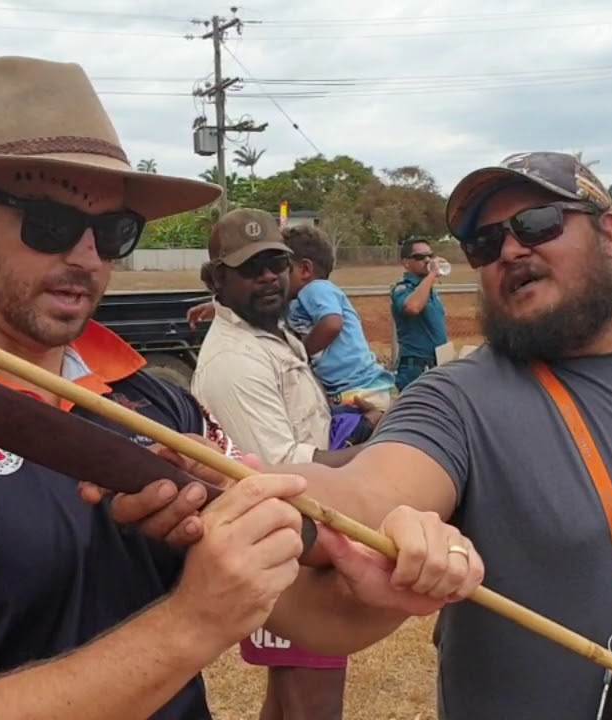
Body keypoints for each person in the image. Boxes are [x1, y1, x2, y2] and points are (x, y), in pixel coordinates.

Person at [0, 55, 484, 720]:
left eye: (112, 231)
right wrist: (193, 622)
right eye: (51, 223)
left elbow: (311, 613)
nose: (86, 257)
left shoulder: (155, 407)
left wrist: (395, 591)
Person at [126, 150, 612, 719]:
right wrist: (228, 476)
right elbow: (363, 491)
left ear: (610, 234)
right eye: (485, 244)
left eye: (534, 223)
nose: (510, 250)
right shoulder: (457, 399)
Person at [191, 209, 374, 720]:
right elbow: (283, 473)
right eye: (252, 269)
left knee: (291, 703)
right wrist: (386, 446)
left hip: (305, 540)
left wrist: (351, 421)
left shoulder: (274, 335)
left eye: (276, 263)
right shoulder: (235, 362)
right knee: (313, 706)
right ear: (218, 281)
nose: (269, 276)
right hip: (287, 547)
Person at [282, 223, 396, 414]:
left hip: (362, 389)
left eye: (283, 268)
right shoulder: (297, 300)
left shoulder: (316, 288)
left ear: (304, 269)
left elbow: (332, 324)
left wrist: (301, 354)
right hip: (350, 390)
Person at [390, 237, 449, 390]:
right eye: (420, 257)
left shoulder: (429, 290)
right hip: (416, 368)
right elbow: (413, 307)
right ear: (406, 263)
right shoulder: (403, 289)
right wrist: (431, 275)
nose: (427, 260)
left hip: (437, 364)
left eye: (430, 255)